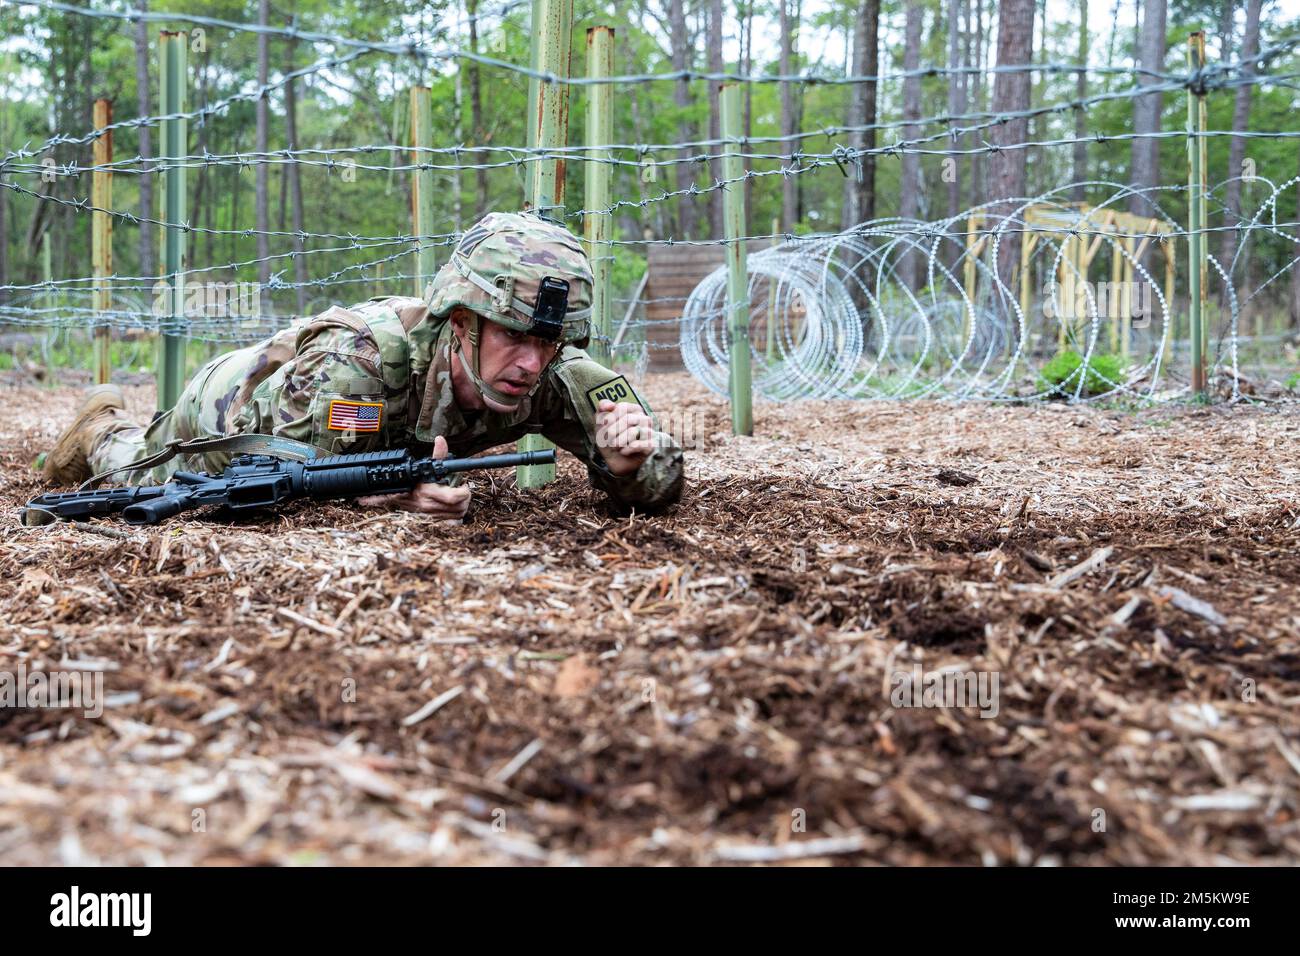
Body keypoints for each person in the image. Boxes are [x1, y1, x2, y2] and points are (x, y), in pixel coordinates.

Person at [40, 211, 685, 520]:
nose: (532, 362)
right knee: (148, 468)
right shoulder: (357, 370)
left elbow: (661, 477)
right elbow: (268, 484)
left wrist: (630, 466)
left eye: (548, 345)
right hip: (242, 402)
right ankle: (102, 430)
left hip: (332, 420)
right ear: (461, 323)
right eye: (514, 337)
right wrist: (379, 497)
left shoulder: (554, 370)